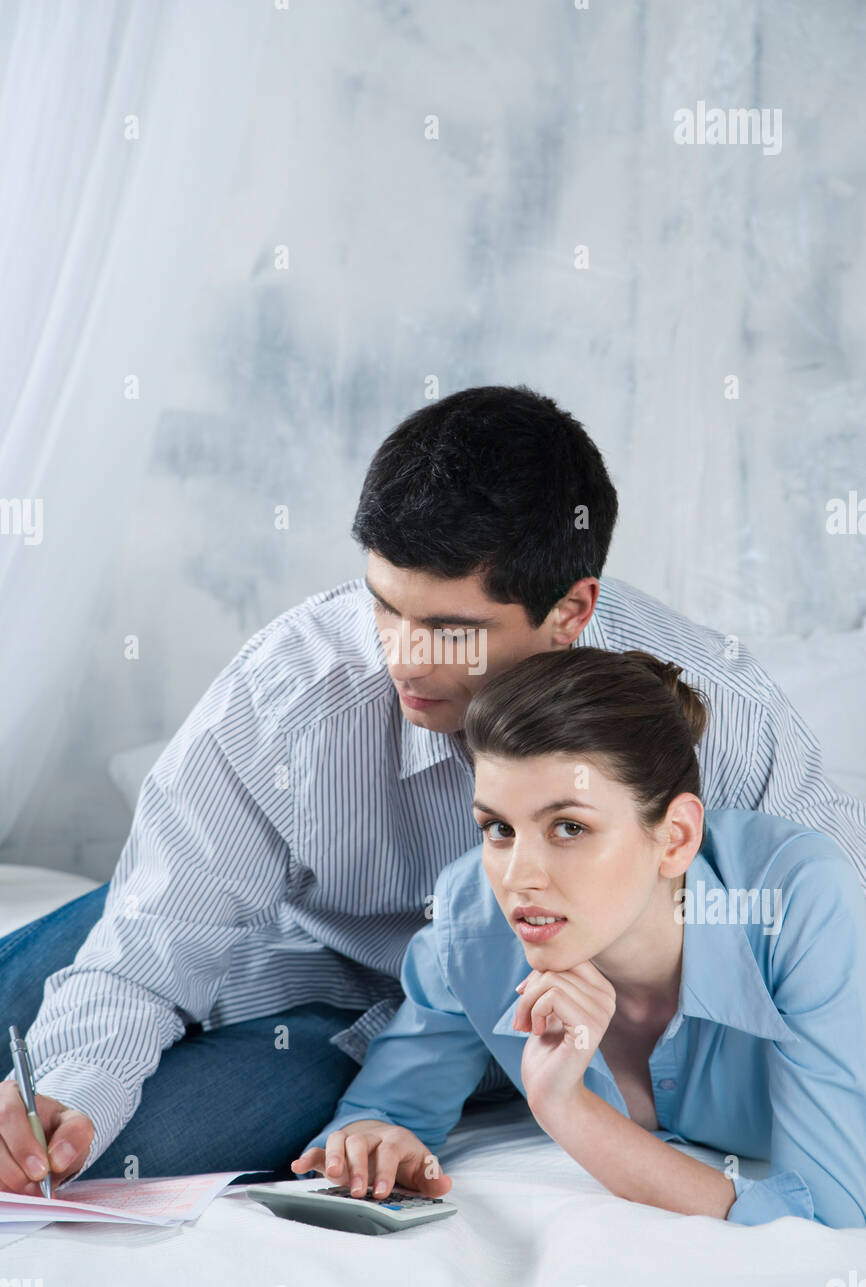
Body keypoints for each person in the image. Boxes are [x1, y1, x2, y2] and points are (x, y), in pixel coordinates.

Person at [1, 386, 864, 1197]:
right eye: (385, 607)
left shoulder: (718, 716)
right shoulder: (289, 689)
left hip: (385, 1026)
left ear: (571, 611)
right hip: (245, 928)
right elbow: (154, 942)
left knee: (120, 1154)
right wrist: (77, 1080)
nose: (404, 661)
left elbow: (828, 926)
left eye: (452, 630)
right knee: (58, 1061)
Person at [293, 648, 866, 1227]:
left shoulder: (800, 905)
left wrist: (567, 1108)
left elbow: (827, 1222)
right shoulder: (472, 919)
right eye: (498, 828)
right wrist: (371, 1143)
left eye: (569, 828)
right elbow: (385, 1109)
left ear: (675, 838)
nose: (518, 877)